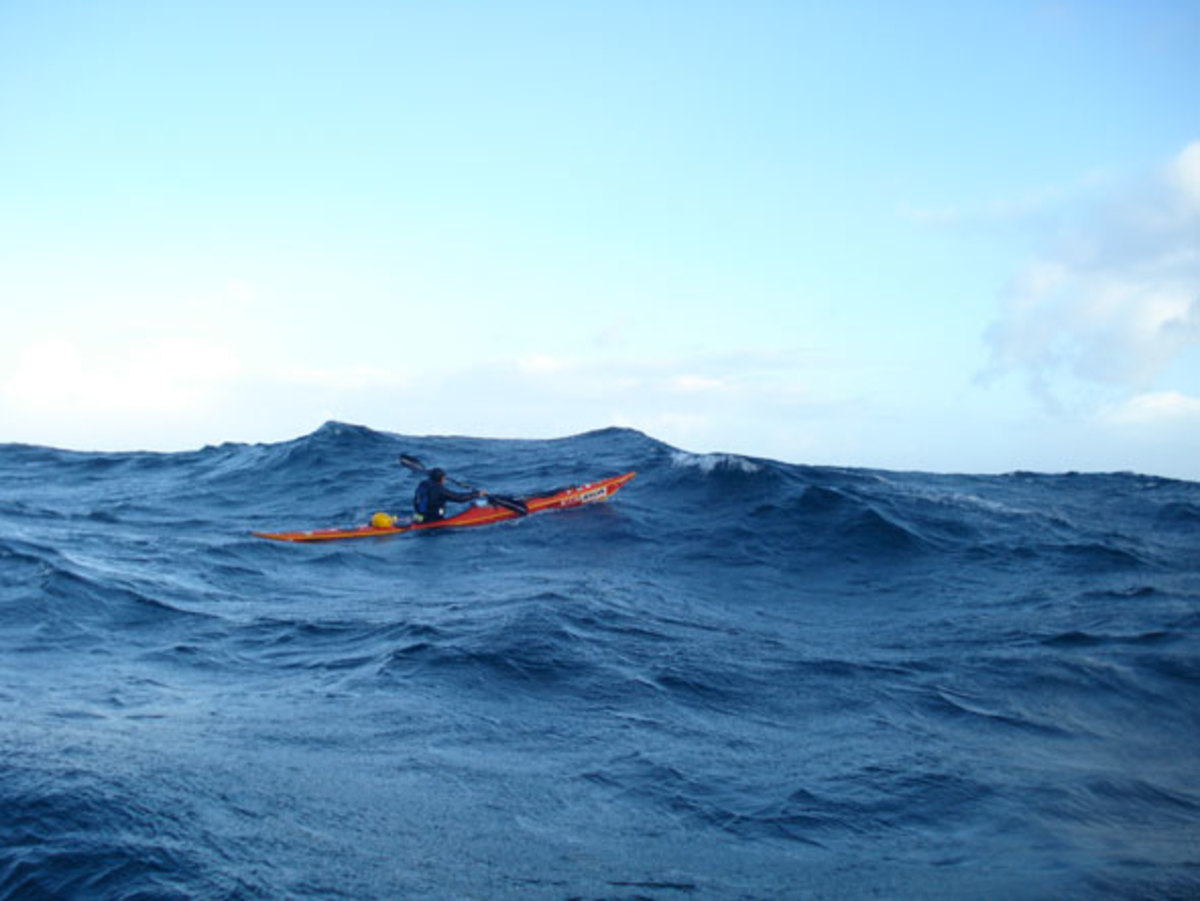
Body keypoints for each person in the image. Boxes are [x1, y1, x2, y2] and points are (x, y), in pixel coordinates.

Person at [413, 468, 486, 523]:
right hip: (432, 518)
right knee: (441, 509)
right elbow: (460, 498)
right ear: (441, 479)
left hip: (417, 516)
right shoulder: (440, 490)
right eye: (444, 478)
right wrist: (477, 494)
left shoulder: (423, 484)